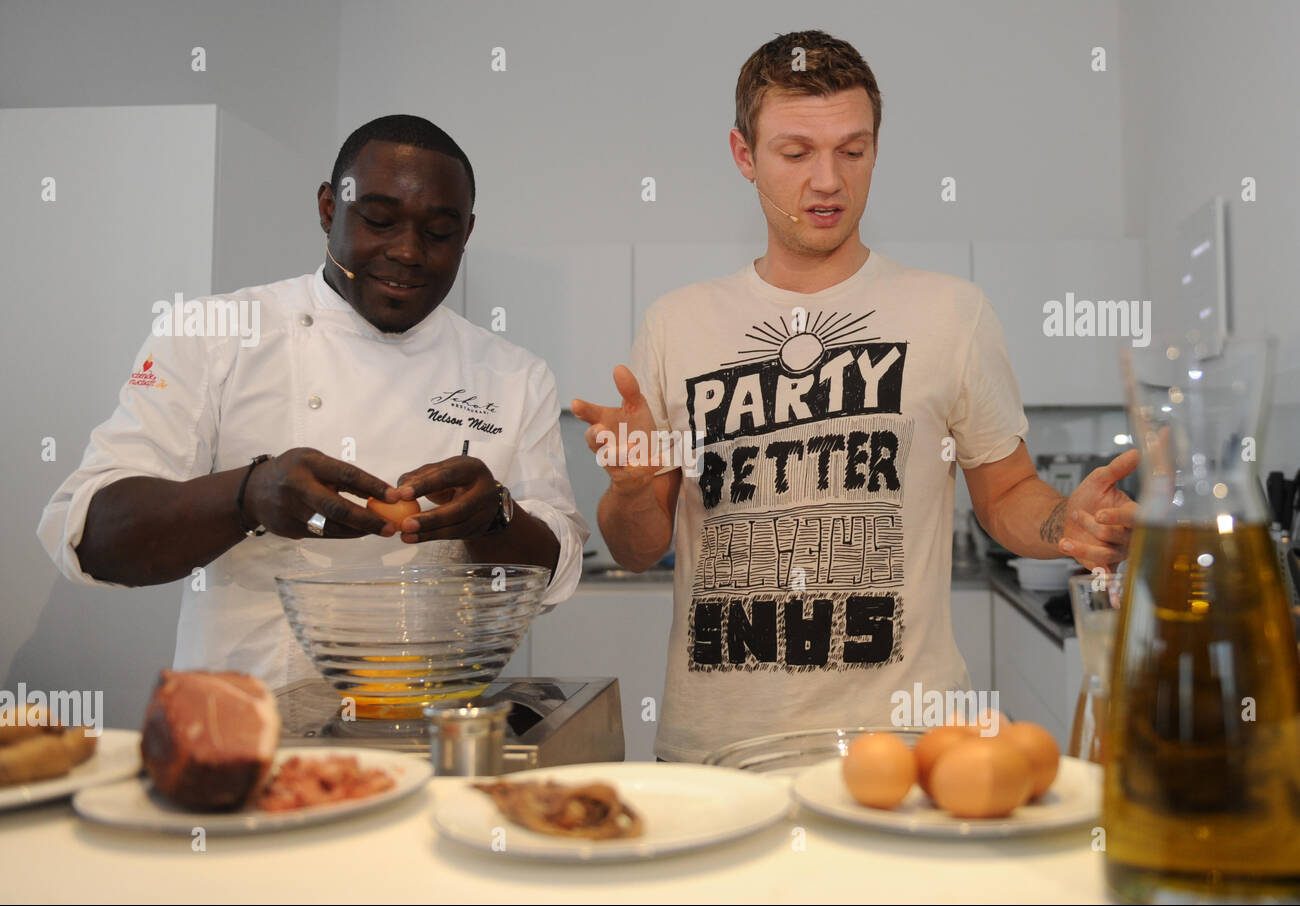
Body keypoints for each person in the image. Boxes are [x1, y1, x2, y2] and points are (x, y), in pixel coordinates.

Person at [572, 31, 1138, 763]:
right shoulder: (676, 325)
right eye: (796, 151)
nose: (829, 180)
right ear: (745, 156)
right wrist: (626, 489)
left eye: (853, 149)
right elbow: (637, 545)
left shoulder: (950, 312)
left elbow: (1005, 494)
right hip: (719, 755)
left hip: (905, 750)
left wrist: (1066, 519)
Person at [39, 114, 588, 686]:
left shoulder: (515, 374)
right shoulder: (214, 333)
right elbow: (89, 535)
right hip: (251, 734)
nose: (407, 252)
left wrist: (495, 517)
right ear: (329, 208)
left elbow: (555, 572)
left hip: (440, 728)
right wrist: (247, 496)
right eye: (378, 219)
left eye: (439, 233)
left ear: (467, 234)